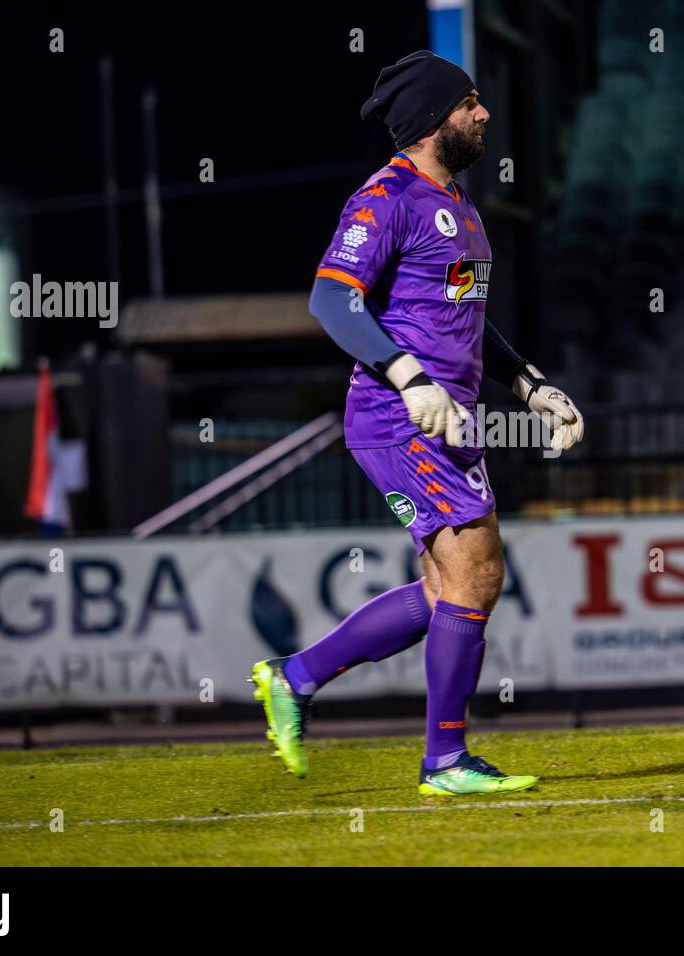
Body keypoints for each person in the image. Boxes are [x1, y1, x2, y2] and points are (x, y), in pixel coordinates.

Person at [249, 51, 584, 796]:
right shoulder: (385, 198)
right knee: (479, 571)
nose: (484, 113)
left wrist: (528, 384)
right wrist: (405, 376)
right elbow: (332, 302)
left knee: (446, 592)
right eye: (469, 102)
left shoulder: (458, 204)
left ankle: (293, 680)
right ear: (436, 119)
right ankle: (445, 761)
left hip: (450, 423)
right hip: (399, 419)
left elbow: (465, 317)